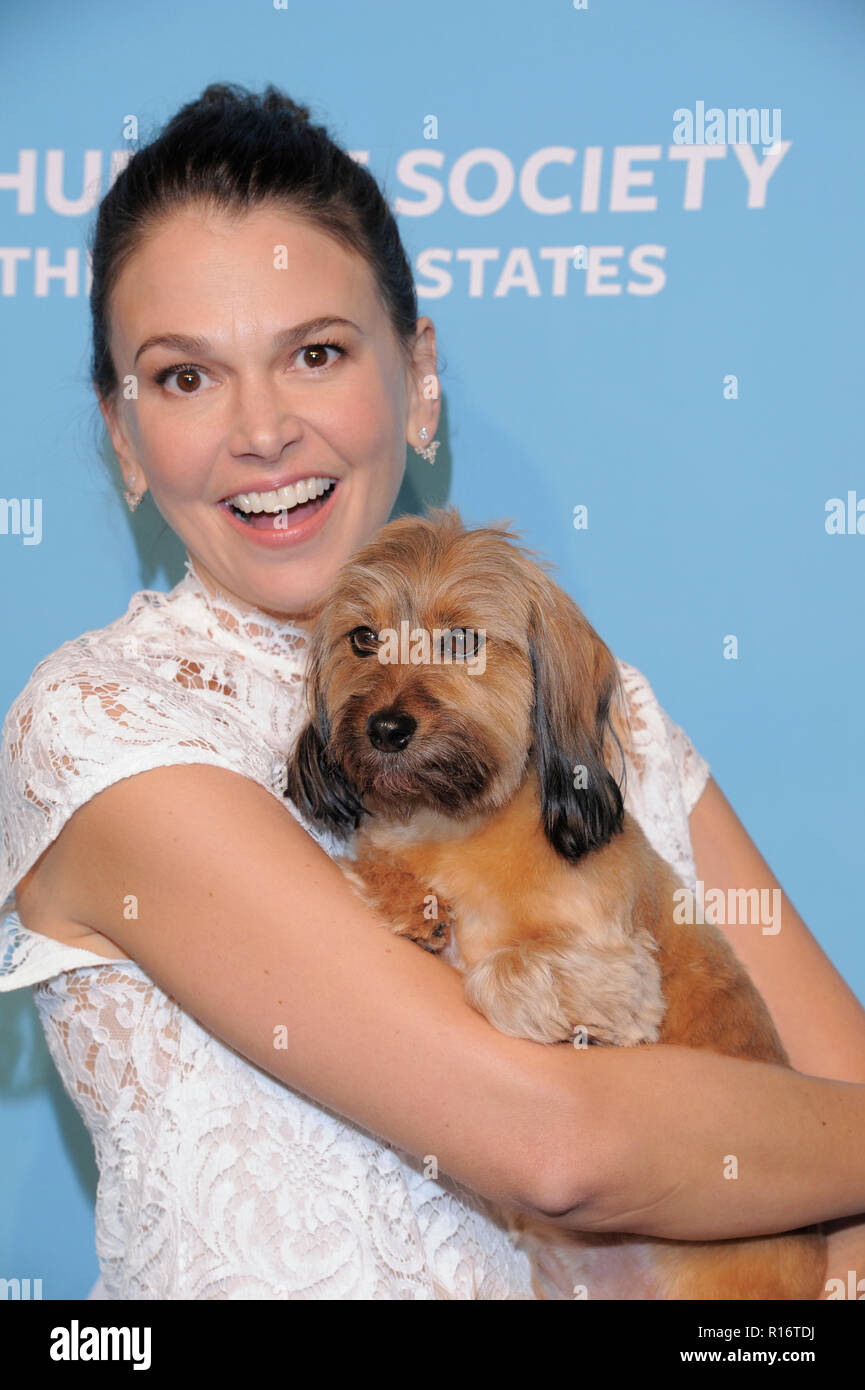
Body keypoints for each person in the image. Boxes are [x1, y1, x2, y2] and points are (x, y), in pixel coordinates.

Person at [1, 82, 864, 1301]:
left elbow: (842, 1110)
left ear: (417, 375)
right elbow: (557, 1142)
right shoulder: (102, 727)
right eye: (185, 378)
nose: (261, 431)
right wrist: (764, 1140)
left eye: (314, 353)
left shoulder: (583, 692)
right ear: (125, 439)